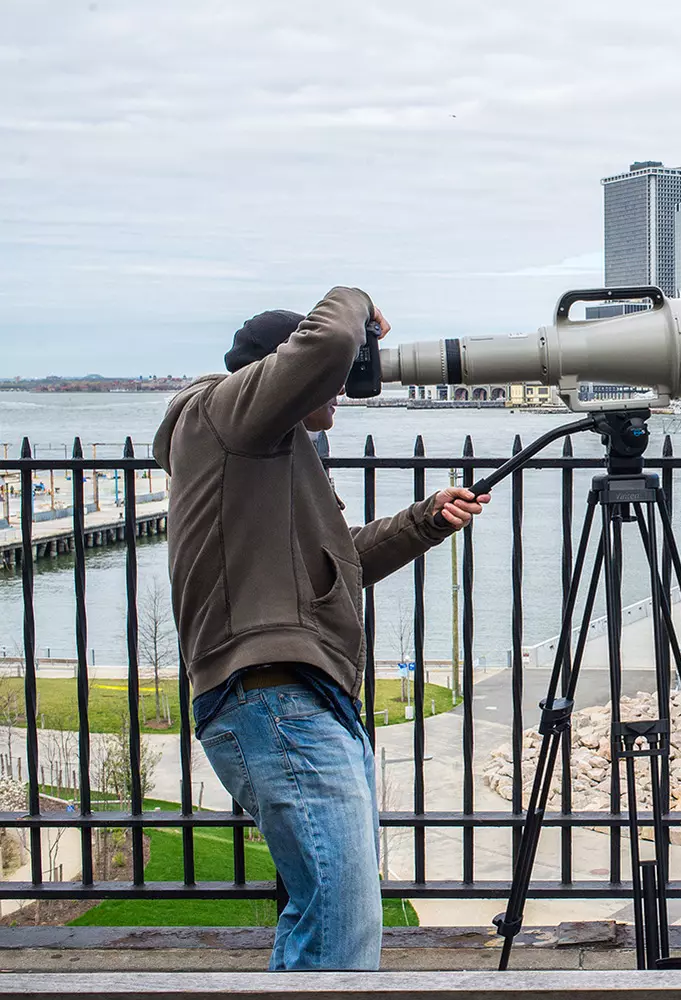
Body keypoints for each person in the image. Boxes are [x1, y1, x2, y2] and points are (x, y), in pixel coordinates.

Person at [153, 287, 490, 970]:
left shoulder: (273, 452)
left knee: (332, 914)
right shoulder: (222, 414)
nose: (344, 390)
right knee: (340, 921)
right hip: (274, 700)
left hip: (307, 701)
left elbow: (339, 568)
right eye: (337, 380)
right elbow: (330, 341)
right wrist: (356, 300)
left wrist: (426, 519)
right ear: (281, 371)